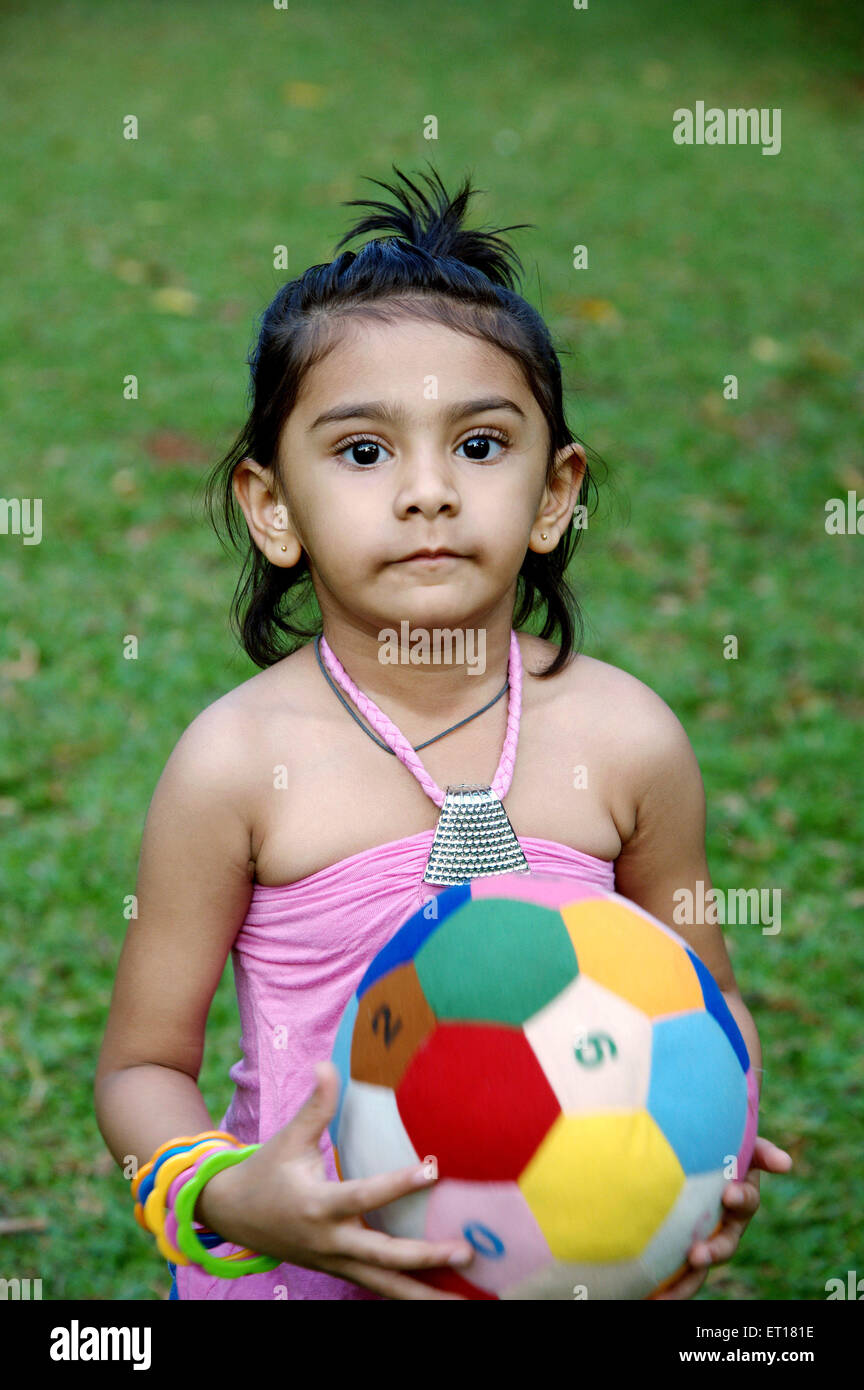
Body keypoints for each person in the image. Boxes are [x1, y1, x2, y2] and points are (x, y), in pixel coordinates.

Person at [94, 164, 792, 1301]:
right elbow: (140, 1067)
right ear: (273, 508)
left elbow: (700, 1001)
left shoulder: (627, 740)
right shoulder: (235, 764)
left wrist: (707, 1155)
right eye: (364, 451)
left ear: (556, 491)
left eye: (479, 444)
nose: (428, 490)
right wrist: (225, 1191)